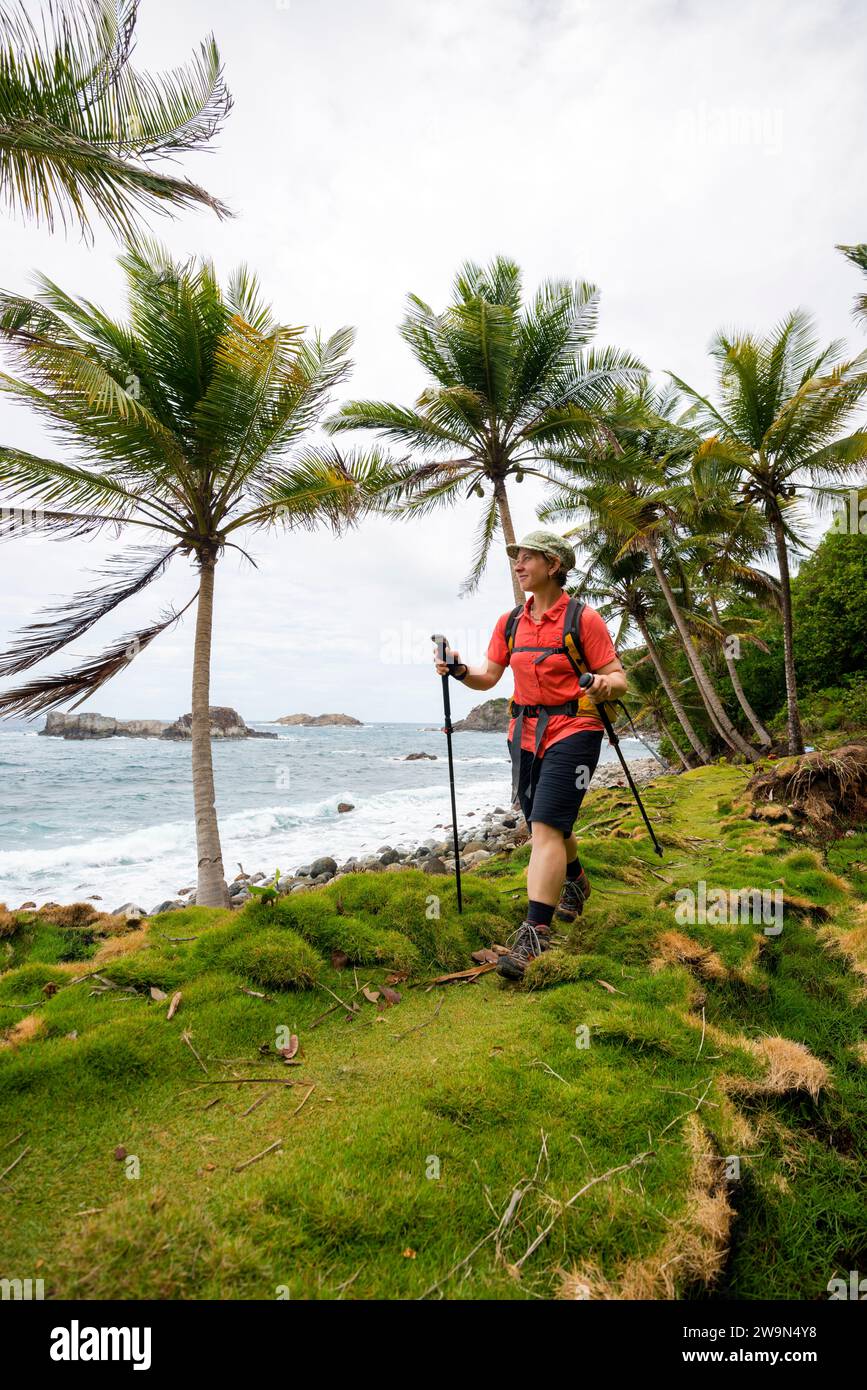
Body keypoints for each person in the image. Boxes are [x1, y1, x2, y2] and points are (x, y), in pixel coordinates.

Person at [432, 529, 627, 979]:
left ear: (553, 565)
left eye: (527, 558)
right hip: (524, 733)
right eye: (515, 558)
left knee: (545, 827)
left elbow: (618, 677)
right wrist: (459, 668)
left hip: (576, 728)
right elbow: (488, 677)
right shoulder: (510, 623)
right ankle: (574, 882)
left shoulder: (583, 619)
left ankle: (535, 933)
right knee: (545, 820)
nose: (518, 565)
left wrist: (602, 684)